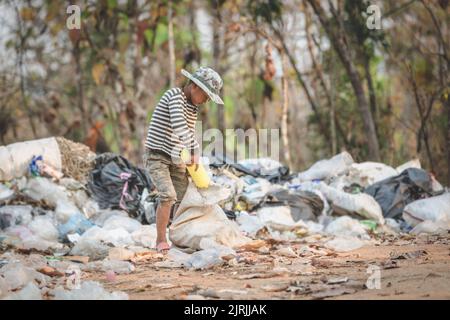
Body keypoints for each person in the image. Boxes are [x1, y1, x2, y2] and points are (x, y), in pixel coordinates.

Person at [143, 67, 224, 252]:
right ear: (195, 86)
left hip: (176, 156)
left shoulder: (192, 107)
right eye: (206, 96)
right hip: (157, 156)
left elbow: (186, 134)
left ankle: (180, 235)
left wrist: (191, 161)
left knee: (185, 196)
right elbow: (180, 127)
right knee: (168, 196)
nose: (206, 101)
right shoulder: (174, 96)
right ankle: (161, 240)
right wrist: (195, 150)